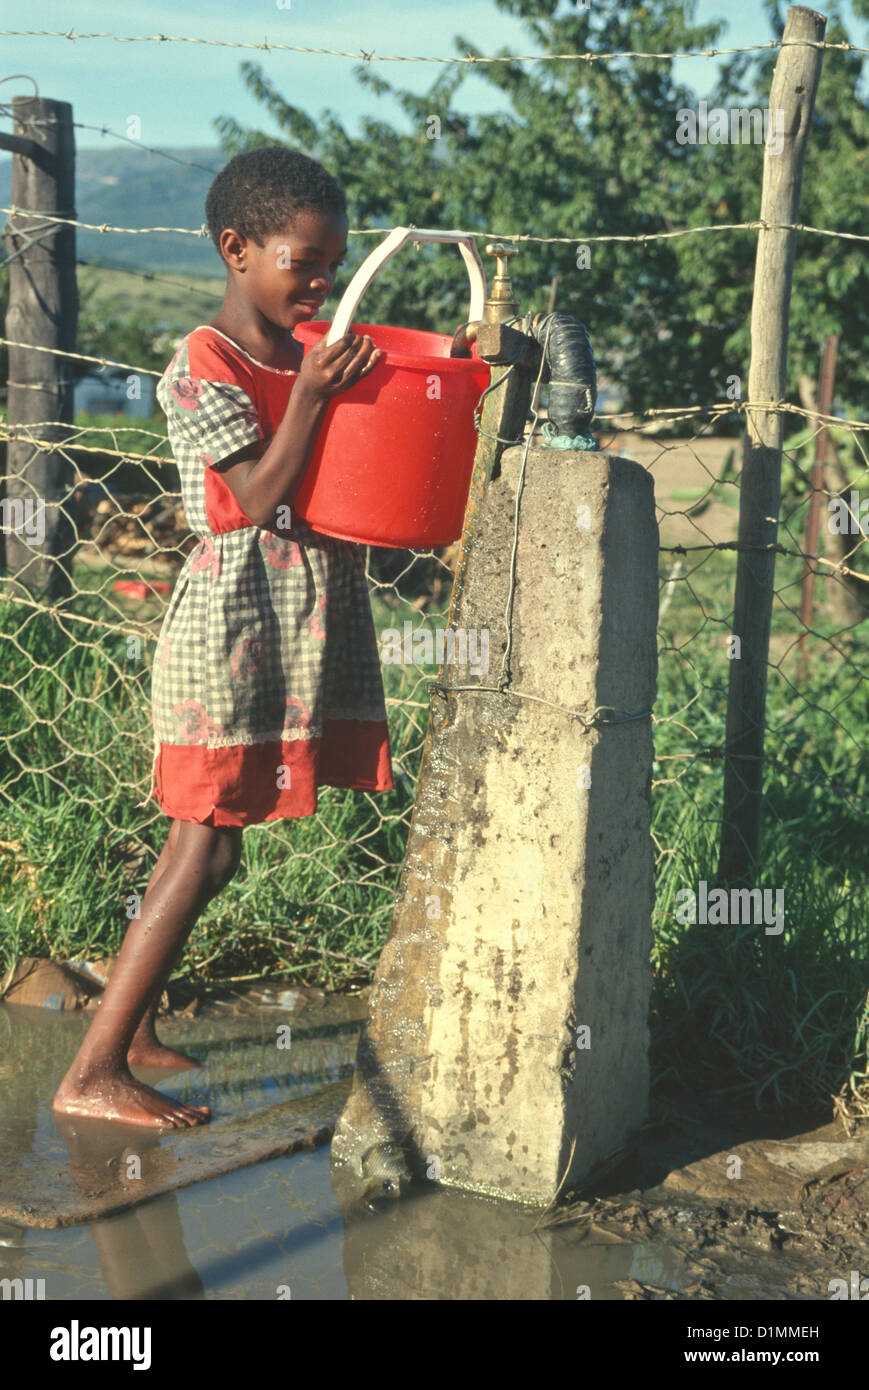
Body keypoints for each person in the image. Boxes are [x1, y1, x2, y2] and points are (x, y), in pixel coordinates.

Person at [54, 146, 391, 1127]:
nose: (322, 282)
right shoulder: (204, 360)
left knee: (218, 849)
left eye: (334, 263)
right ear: (236, 249)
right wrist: (320, 396)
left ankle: (136, 1023)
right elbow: (249, 495)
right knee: (198, 848)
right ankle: (94, 1071)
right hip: (232, 626)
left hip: (296, 625)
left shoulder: (306, 352)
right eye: (304, 262)